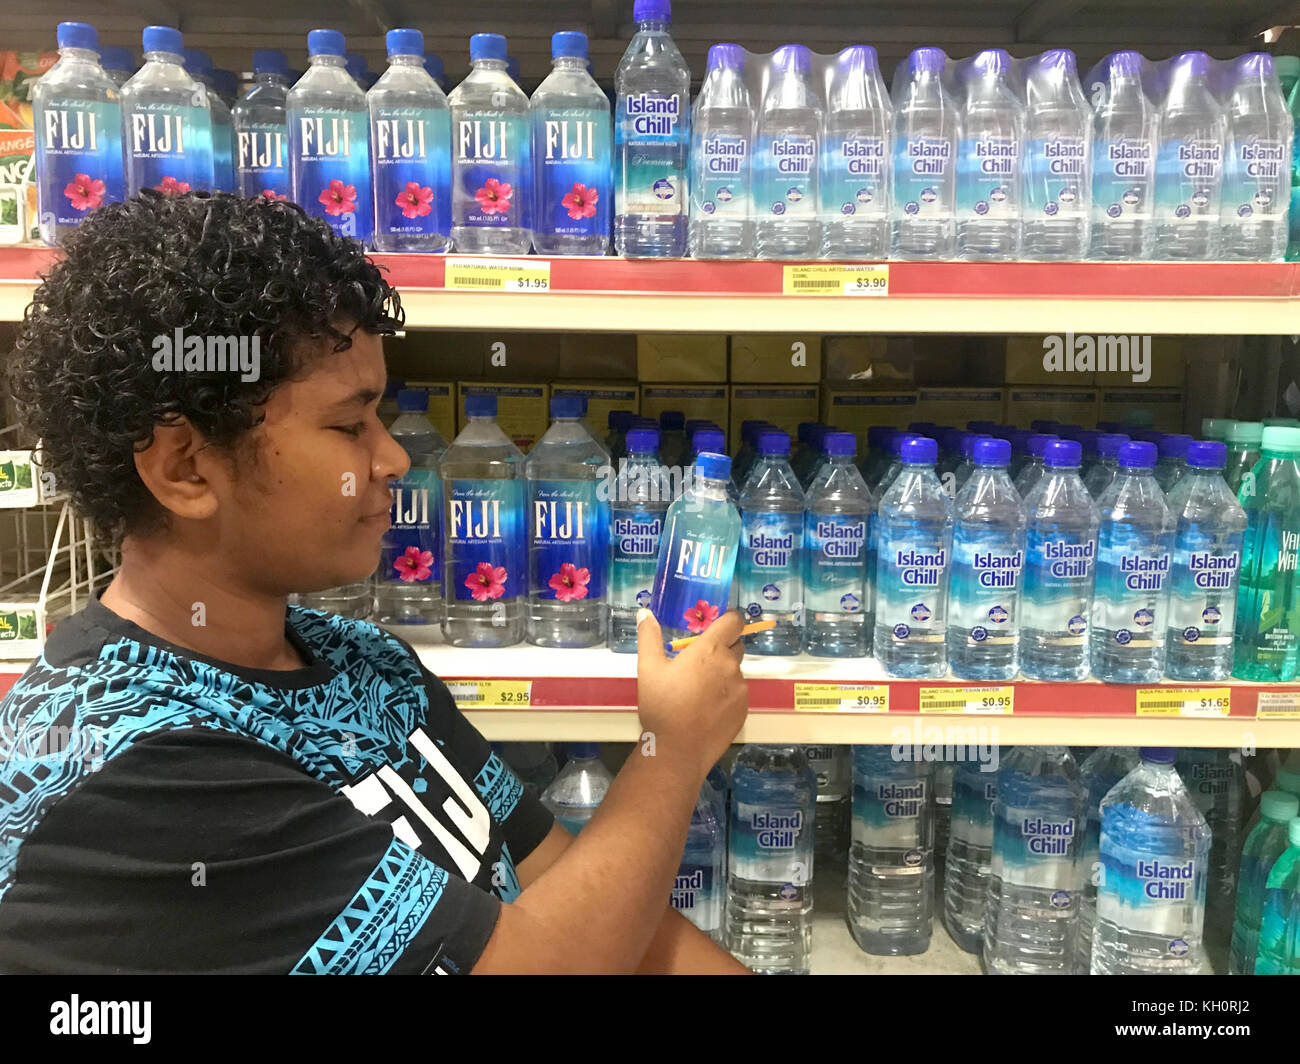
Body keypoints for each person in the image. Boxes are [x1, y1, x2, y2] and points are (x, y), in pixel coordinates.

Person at [0, 191, 750, 974]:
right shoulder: (127, 765)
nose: (393, 460)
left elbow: (597, 906)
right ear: (187, 469)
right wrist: (673, 748)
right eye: (349, 425)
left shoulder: (367, 665)